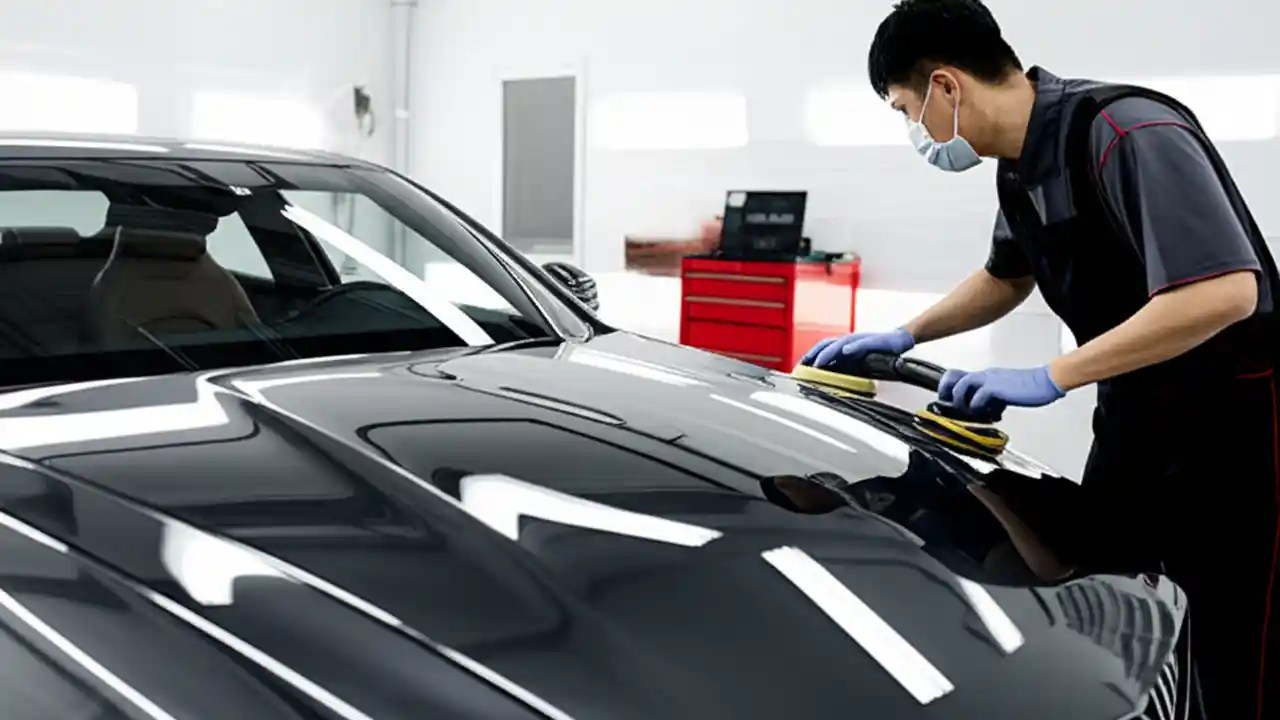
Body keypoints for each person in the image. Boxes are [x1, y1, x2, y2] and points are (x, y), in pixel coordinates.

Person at [800, 1, 1280, 717]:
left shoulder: (1126, 130)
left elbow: (1222, 293)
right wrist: (906, 335)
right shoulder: (1019, 163)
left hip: (1239, 424)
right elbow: (1005, 276)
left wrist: (1050, 376)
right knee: (1116, 599)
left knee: (1237, 638)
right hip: (1137, 410)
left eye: (905, 109)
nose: (914, 131)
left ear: (946, 87)